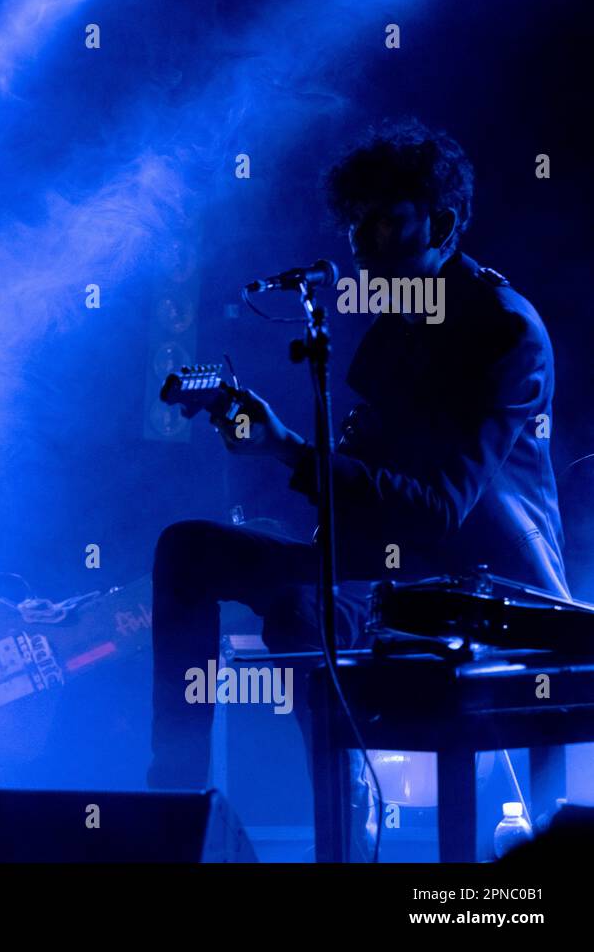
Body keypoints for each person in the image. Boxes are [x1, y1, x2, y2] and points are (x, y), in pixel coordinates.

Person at [147, 120, 569, 834]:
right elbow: (370, 486)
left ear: (440, 223)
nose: (359, 242)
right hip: (383, 573)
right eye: (354, 221)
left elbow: (439, 510)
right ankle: (176, 811)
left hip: (479, 586)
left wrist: (289, 451)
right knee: (188, 549)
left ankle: (350, 807)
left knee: (299, 611)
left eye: (383, 221)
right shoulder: (390, 333)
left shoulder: (503, 330)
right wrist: (272, 441)